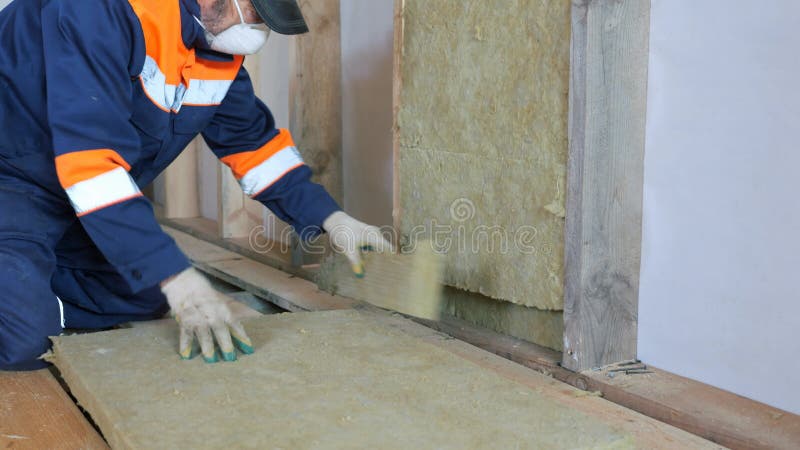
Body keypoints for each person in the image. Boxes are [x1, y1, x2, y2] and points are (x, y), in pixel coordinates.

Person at [0, 0, 389, 370]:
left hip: (75, 200)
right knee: (26, 342)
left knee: (148, 294)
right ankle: (24, 297)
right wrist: (175, 276)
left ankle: (27, 284)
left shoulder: (213, 48)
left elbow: (253, 147)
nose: (257, 29)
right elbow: (92, 164)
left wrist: (332, 219)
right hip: (13, 183)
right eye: (253, 9)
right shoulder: (100, 11)